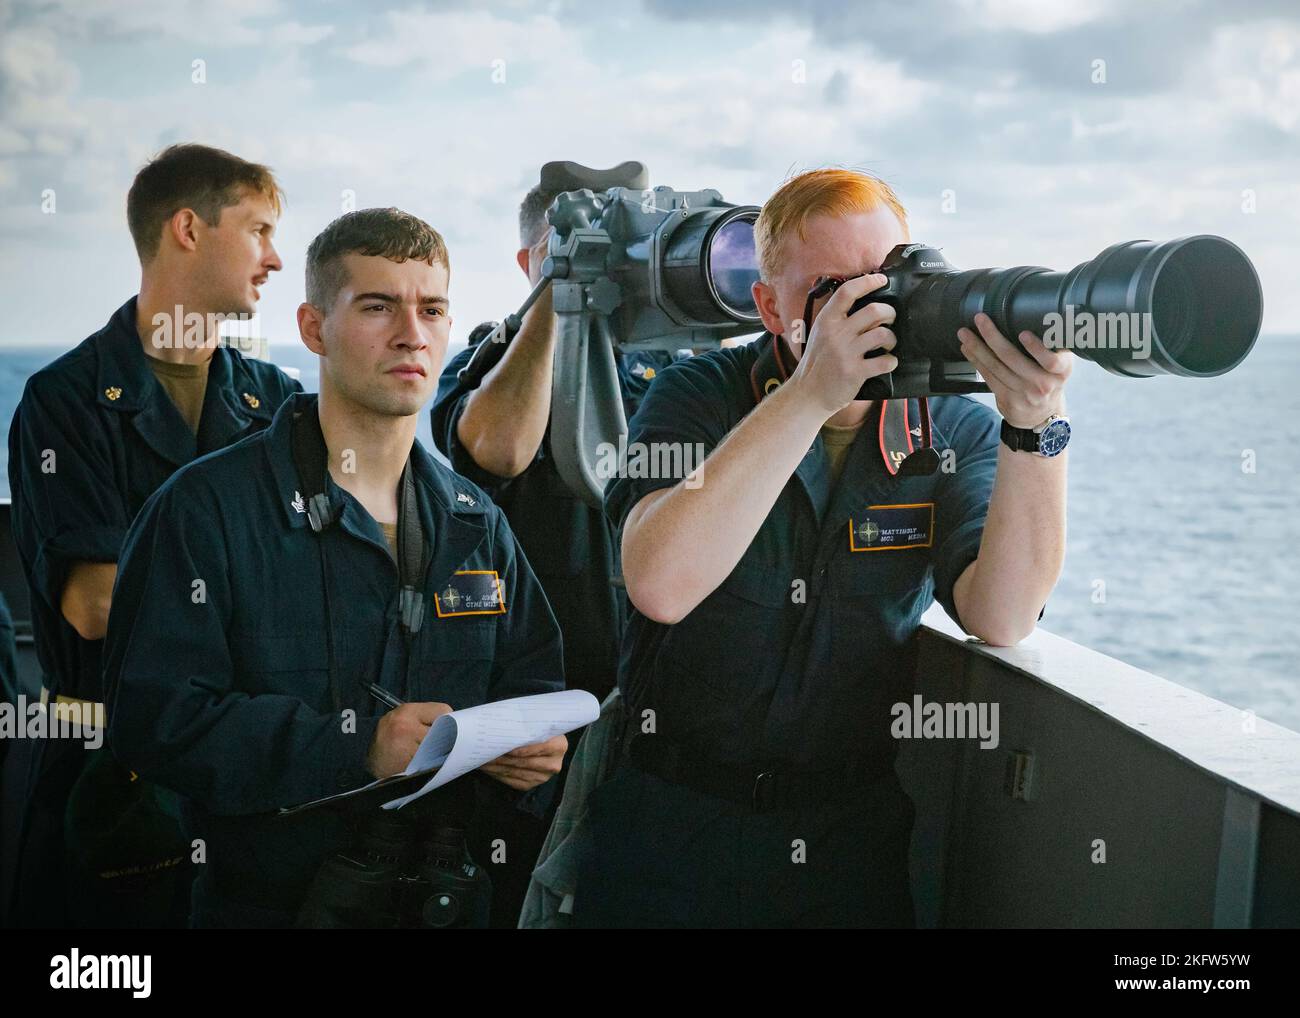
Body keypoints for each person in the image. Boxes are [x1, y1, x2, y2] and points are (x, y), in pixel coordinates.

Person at [575, 168, 1071, 928]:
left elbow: (1002, 616)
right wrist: (811, 395)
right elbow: (660, 584)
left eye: (888, 279)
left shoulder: (949, 430)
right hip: (673, 829)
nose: (871, 309)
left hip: (845, 840)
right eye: (835, 289)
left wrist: (1037, 421)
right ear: (769, 307)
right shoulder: (696, 396)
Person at [103, 207, 568, 929]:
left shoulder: (477, 524)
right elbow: (155, 720)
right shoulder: (205, 510)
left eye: (433, 309)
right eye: (378, 306)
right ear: (314, 328)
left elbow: (532, 684)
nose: (412, 332)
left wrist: (528, 756)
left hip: (442, 904)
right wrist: (357, 747)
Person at [3, 143, 299, 928]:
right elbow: (96, 606)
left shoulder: (276, 401)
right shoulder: (66, 401)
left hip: (248, 784)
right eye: (260, 229)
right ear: (188, 229)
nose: (275, 258)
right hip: (113, 783)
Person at [430, 173, 672, 924]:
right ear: (524, 266)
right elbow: (498, 449)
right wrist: (559, 301)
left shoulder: (679, 375)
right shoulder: (490, 360)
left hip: (656, 724)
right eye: (568, 255)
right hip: (536, 729)